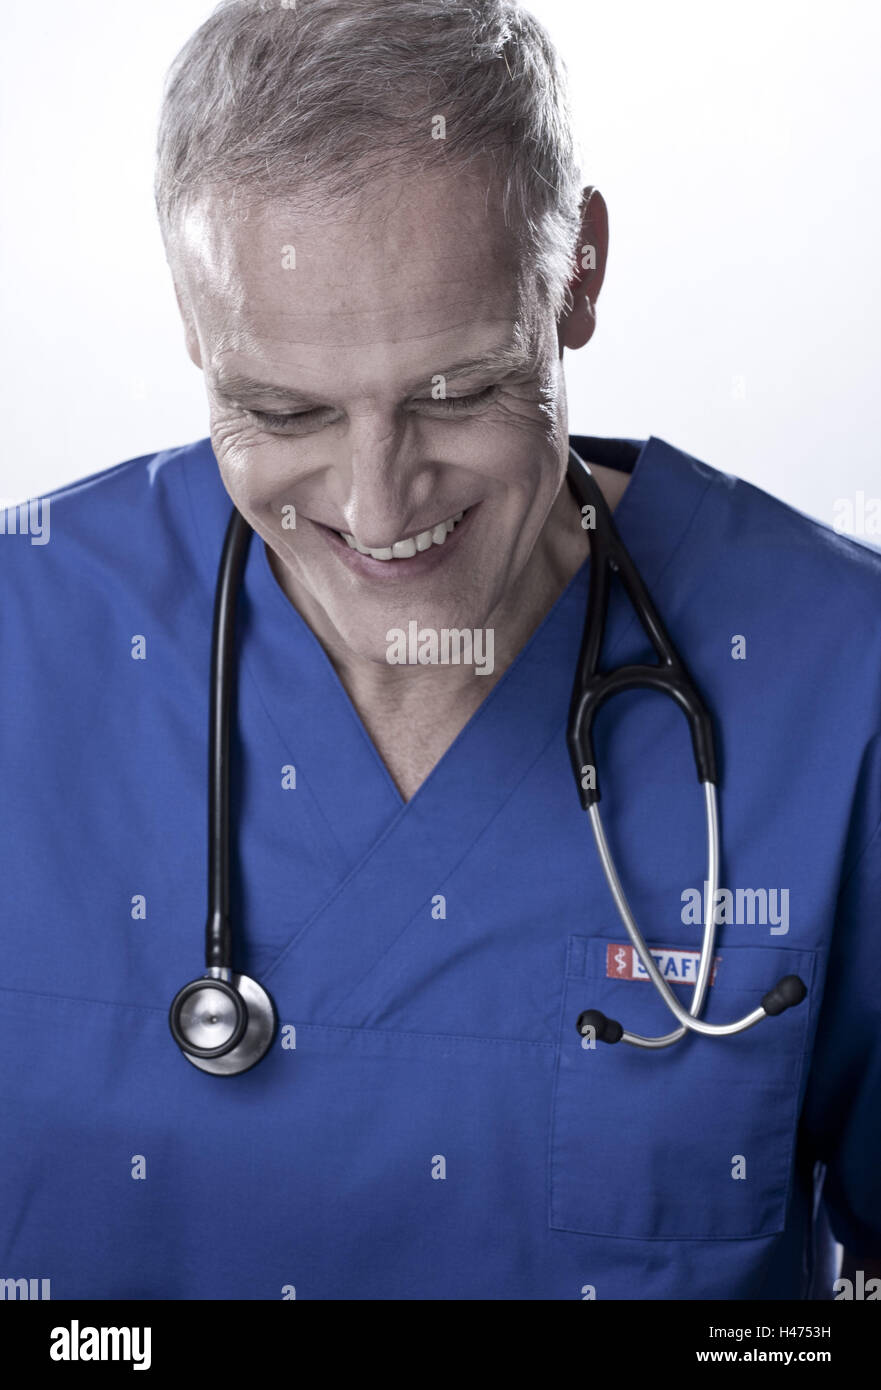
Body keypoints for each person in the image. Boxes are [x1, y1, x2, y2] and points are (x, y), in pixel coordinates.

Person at [0, 0, 878, 1301]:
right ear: (193, 320)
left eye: (457, 392)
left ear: (574, 272)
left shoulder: (837, 681)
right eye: (282, 408)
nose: (376, 504)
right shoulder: (30, 632)